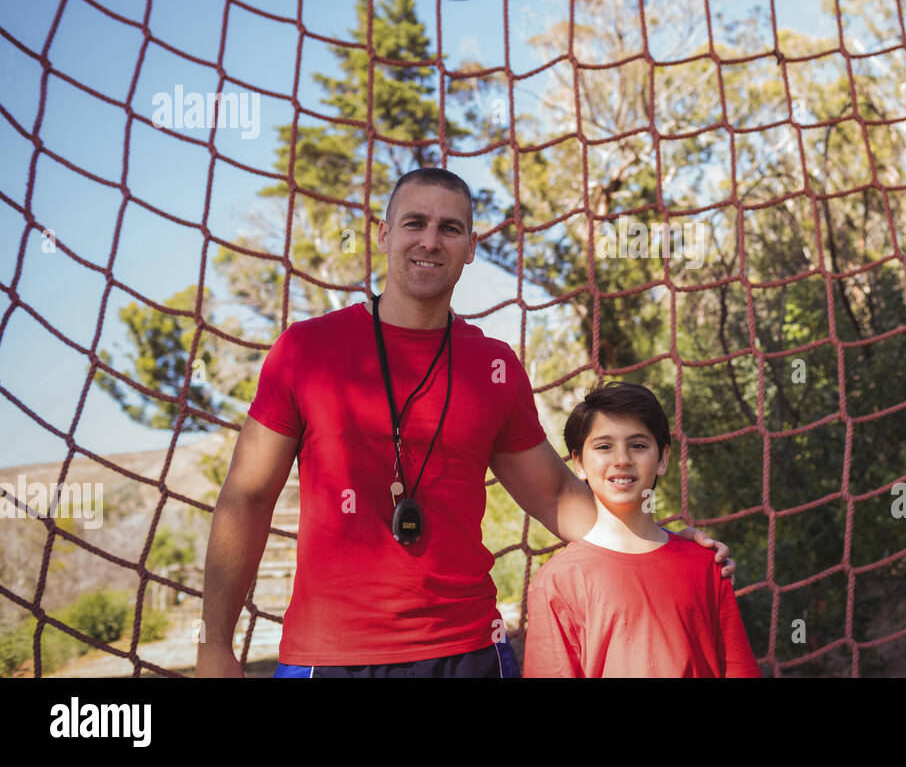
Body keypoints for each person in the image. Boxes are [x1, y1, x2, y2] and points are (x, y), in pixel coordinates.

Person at [195, 167, 731, 678]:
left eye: (450, 228)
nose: (430, 240)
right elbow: (247, 497)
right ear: (383, 235)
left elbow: (554, 496)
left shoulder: (492, 366)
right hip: (329, 654)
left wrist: (657, 544)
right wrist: (215, 643)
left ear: (471, 247)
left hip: (468, 651)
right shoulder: (306, 349)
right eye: (415, 223)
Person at [522, 383, 761, 678]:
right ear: (580, 463)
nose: (622, 459)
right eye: (604, 446)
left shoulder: (706, 565)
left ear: (662, 459)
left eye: (637, 445)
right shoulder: (555, 582)